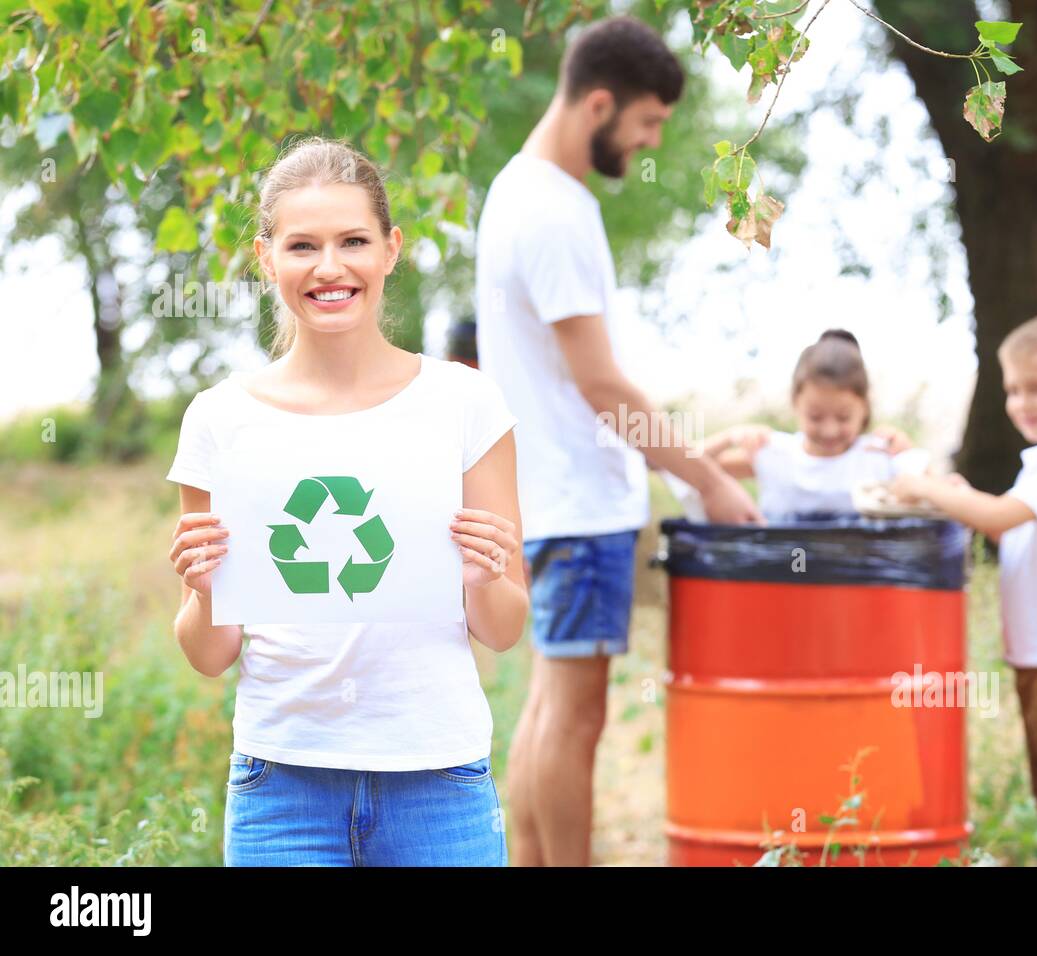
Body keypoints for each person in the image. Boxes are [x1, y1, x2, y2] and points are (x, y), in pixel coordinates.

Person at [166, 137, 529, 866]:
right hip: (282, 784)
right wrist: (204, 592)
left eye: (353, 241)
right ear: (267, 259)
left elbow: (504, 628)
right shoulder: (220, 419)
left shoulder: (464, 400)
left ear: (391, 249)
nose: (329, 267)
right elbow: (210, 654)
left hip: (440, 779)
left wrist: (485, 575)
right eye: (303, 245)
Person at [474, 15, 760, 867]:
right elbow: (601, 386)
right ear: (600, 103)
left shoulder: (515, 193)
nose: (651, 139)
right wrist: (705, 479)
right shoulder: (555, 212)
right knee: (574, 717)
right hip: (579, 504)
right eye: (648, 121)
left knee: (546, 710)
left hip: (543, 498)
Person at [890, 315, 1037, 866]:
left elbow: (997, 520)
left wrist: (923, 487)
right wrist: (958, 492)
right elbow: (1002, 512)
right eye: (1013, 390)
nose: (1022, 403)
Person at [698, 329, 928, 520]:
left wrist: (907, 454)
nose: (829, 430)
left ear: (865, 408)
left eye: (843, 418)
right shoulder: (777, 455)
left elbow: (939, 491)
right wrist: (730, 437)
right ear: (795, 403)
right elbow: (683, 464)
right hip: (783, 573)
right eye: (815, 417)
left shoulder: (878, 457)